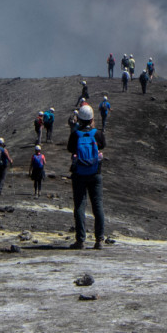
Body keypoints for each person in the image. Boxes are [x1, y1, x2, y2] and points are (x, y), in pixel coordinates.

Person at [67, 102, 107, 249]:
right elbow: (103, 145)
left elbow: (70, 148)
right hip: (95, 173)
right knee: (97, 205)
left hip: (79, 173)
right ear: (91, 119)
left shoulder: (75, 135)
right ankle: (99, 240)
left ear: (79, 119)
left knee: (80, 205)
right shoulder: (97, 134)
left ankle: (80, 240)